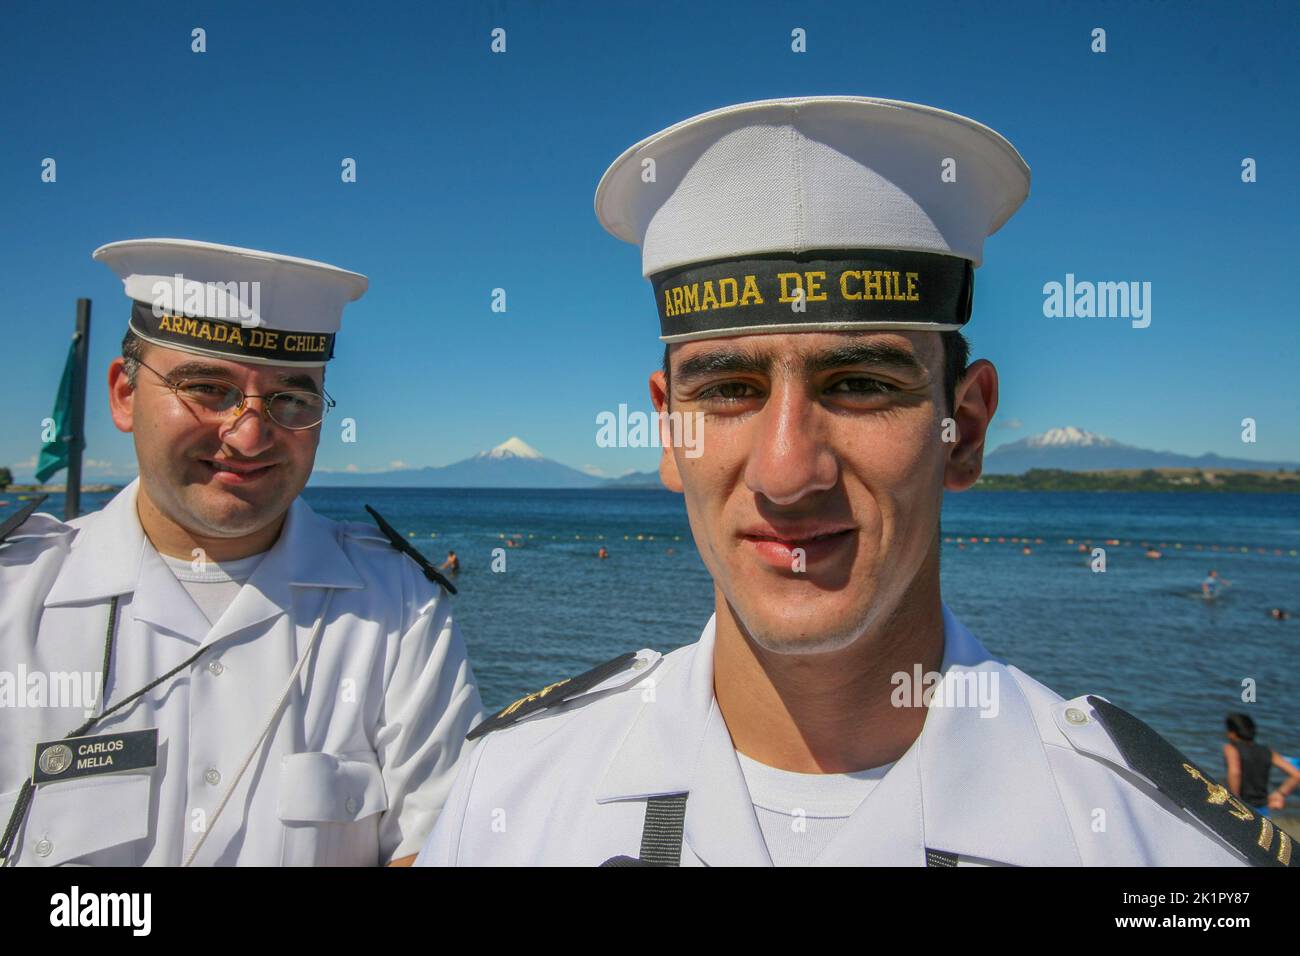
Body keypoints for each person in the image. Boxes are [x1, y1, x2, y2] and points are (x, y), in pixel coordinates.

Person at [417, 96, 1291, 867]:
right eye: (728, 390)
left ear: (967, 430)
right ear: (669, 433)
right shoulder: (505, 801)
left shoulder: (1158, 853)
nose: (788, 470)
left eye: (862, 384)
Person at [0, 239, 483, 866]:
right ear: (124, 394)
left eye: (293, 398)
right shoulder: (15, 602)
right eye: (207, 387)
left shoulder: (398, 613)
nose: (251, 434)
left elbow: (439, 846)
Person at [1222, 714, 1300, 817]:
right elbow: (1296, 775)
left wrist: (1234, 799)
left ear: (1232, 733)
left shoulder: (1231, 749)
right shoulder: (1267, 751)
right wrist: (1280, 794)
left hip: (1242, 804)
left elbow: (1235, 772)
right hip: (1262, 807)